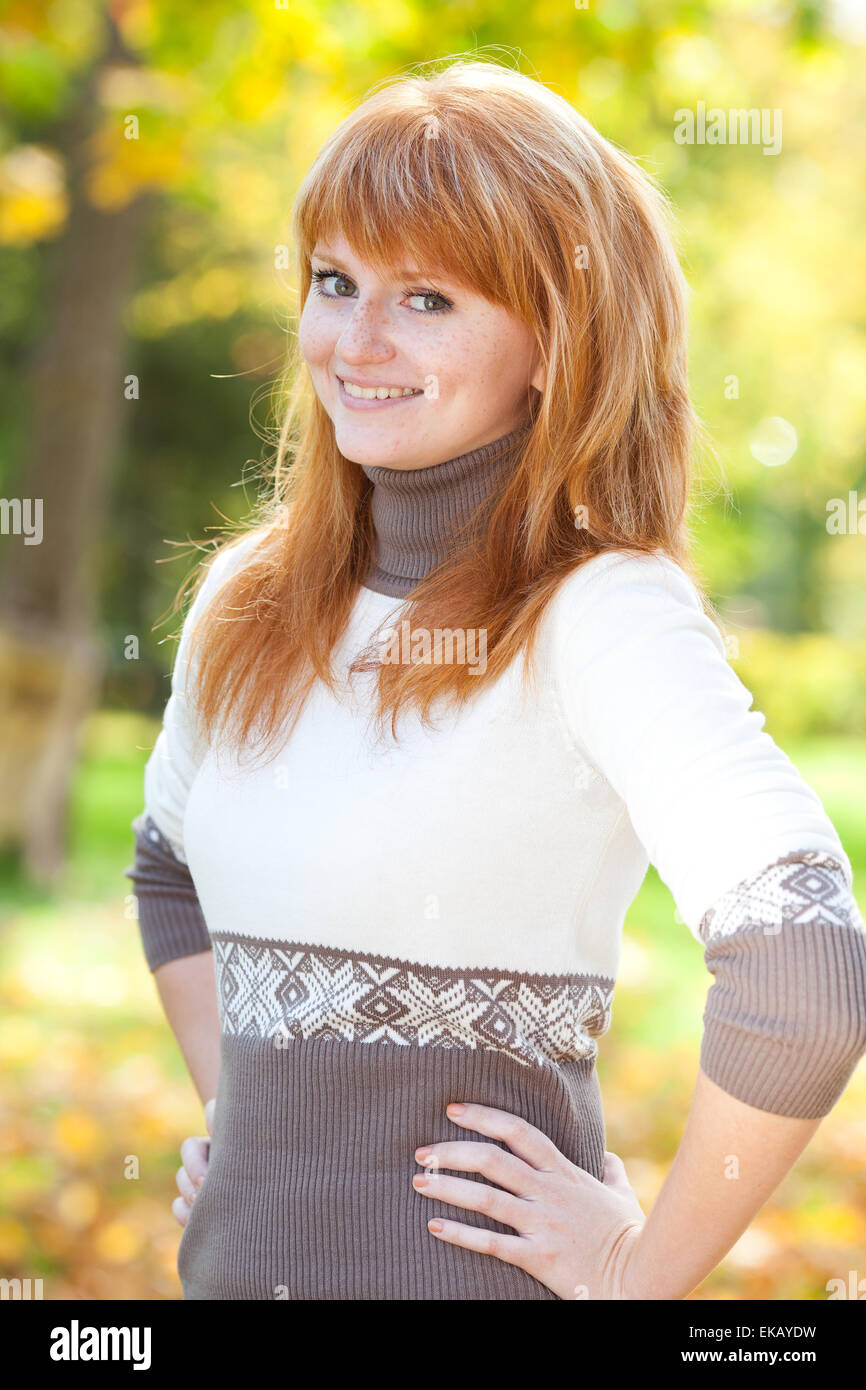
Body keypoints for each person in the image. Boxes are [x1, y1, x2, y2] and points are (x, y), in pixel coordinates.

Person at [125, 57, 866, 1301]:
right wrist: (242, 1121)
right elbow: (166, 867)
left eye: (426, 298)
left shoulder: (602, 618)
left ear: (552, 341)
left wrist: (635, 1273)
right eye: (334, 281)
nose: (356, 341)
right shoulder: (245, 601)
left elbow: (803, 973)